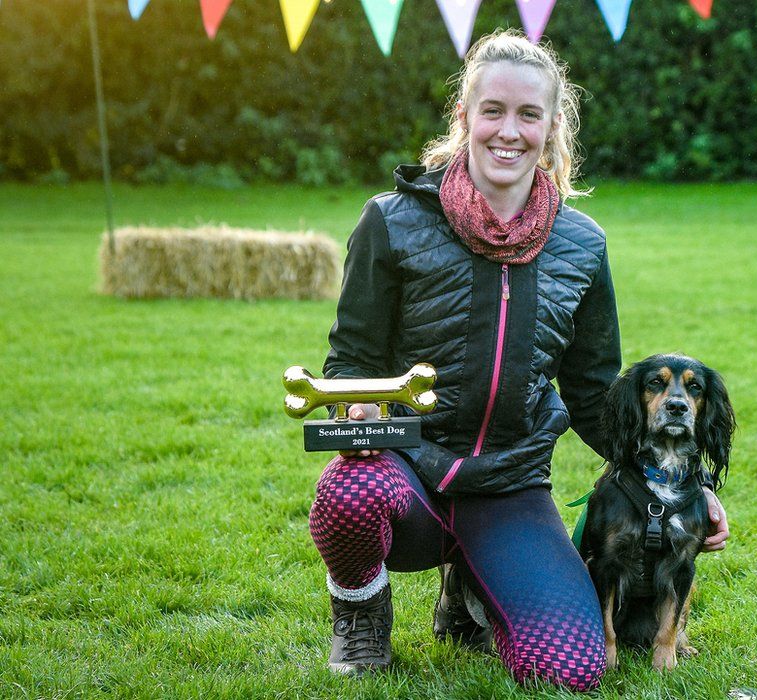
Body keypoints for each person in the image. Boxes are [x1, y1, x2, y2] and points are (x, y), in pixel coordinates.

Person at [307, 29, 729, 691]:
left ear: (552, 127)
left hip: (510, 486)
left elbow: (597, 397)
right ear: (464, 118)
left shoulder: (581, 246)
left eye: (529, 114)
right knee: (348, 491)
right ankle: (360, 616)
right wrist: (359, 403)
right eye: (493, 110)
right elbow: (351, 359)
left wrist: (686, 485)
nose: (510, 131)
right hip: (409, 474)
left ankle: (470, 590)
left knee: (570, 670)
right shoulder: (390, 222)